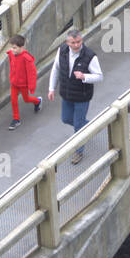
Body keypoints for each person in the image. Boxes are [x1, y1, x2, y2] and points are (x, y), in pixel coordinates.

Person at [48, 29, 103, 163]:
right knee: (66, 119)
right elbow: (56, 68)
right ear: (67, 43)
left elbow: (99, 76)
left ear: (81, 40)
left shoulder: (90, 56)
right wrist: (51, 88)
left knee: (78, 125)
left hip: (82, 96)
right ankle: (89, 126)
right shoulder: (62, 51)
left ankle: (78, 152)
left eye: (78, 42)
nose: (76, 45)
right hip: (67, 94)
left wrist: (85, 76)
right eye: (73, 43)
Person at [5, 34, 41, 130]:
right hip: (14, 83)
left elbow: (32, 73)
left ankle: (37, 101)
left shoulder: (26, 58)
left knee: (26, 99)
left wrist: (31, 86)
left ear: (22, 47)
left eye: (15, 48)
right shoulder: (12, 54)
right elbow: (10, 58)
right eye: (12, 48)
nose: (12, 50)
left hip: (23, 84)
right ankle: (16, 119)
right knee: (13, 100)